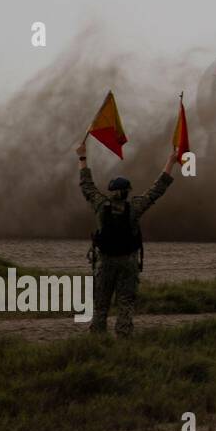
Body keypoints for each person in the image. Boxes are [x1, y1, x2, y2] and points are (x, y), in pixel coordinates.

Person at [75, 138, 178, 337]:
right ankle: (123, 338)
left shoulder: (100, 205)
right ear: (126, 192)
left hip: (105, 262)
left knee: (101, 304)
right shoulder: (134, 208)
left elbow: (86, 185)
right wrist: (170, 162)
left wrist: (82, 157)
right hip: (127, 262)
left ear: (111, 191)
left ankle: (97, 339)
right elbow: (157, 190)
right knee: (125, 303)